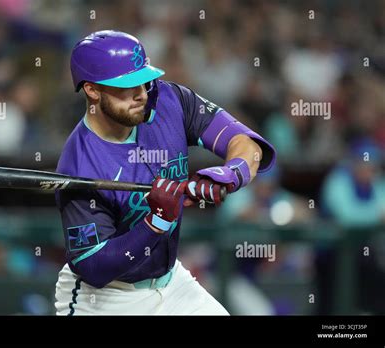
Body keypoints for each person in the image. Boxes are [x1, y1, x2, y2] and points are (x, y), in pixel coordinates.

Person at [54, 30, 276, 315]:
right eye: (127, 85)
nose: (141, 94)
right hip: (105, 298)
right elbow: (94, 268)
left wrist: (230, 174)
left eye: (144, 80)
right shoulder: (79, 164)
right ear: (92, 90)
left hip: (172, 284)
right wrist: (155, 223)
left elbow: (247, 144)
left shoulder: (170, 100)